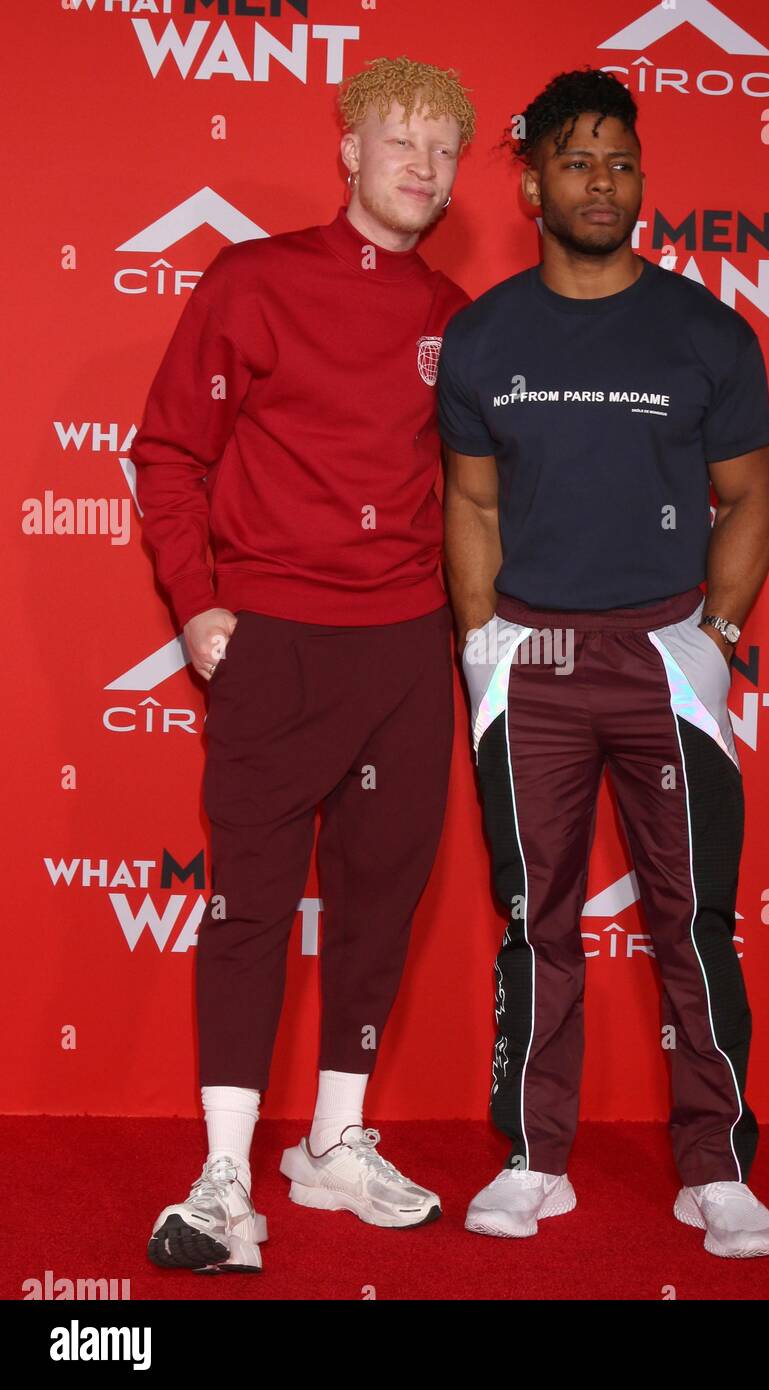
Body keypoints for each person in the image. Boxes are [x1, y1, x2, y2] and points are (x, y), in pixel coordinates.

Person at [132, 56, 476, 1273]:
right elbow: (167, 449)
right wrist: (196, 607)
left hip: (404, 649)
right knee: (248, 907)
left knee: (381, 902)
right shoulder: (253, 279)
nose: (421, 170)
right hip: (274, 643)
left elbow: (478, 496)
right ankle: (225, 1176)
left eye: (442, 153)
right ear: (348, 150)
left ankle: (334, 1141)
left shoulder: (453, 319)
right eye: (399, 144)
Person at [438, 68, 769, 1256]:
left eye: (621, 162)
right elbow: (470, 503)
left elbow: (746, 498)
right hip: (527, 659)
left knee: (695, 923)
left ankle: (713, 1167)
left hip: (664, 657)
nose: (602, 182)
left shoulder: (703, 330)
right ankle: (534, 1159)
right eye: (578, 162)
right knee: (537, 917)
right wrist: (484, 640)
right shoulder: (484, 336)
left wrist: (715, 636)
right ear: (531, 181)